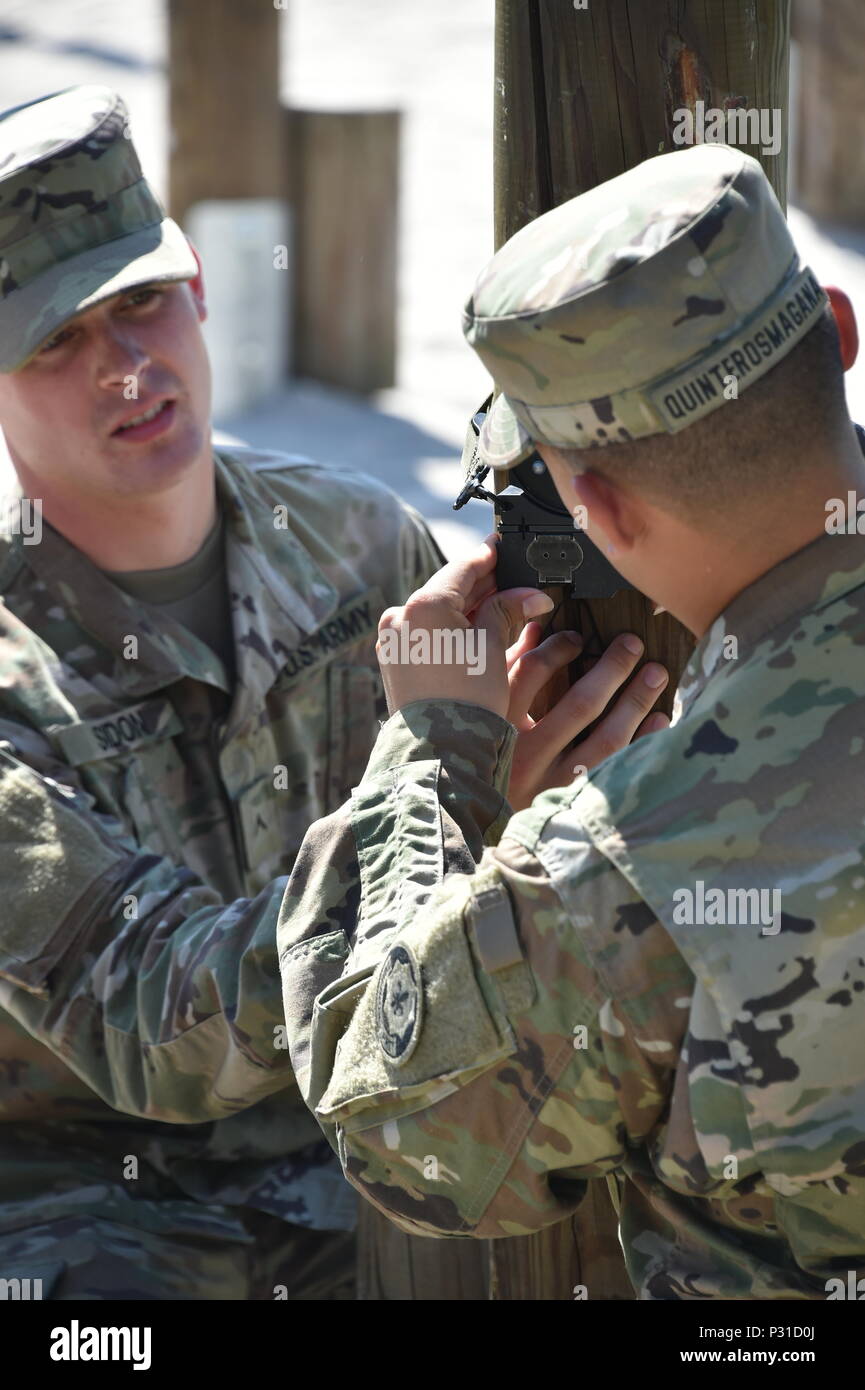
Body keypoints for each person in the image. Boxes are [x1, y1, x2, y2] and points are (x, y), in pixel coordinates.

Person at [277, 141, 865, 1300]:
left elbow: (401, 1129)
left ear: (590, 500)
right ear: (838, 333)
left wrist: (440, 753)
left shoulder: (631, 865)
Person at [0, 82, 455, 1301]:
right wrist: (448, 761)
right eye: (56, 340)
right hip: (85, 1192)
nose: (125, 367)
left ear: (198, 284)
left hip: (359, 1128)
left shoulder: (362, 540)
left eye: (141, 301)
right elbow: (154, 1023)